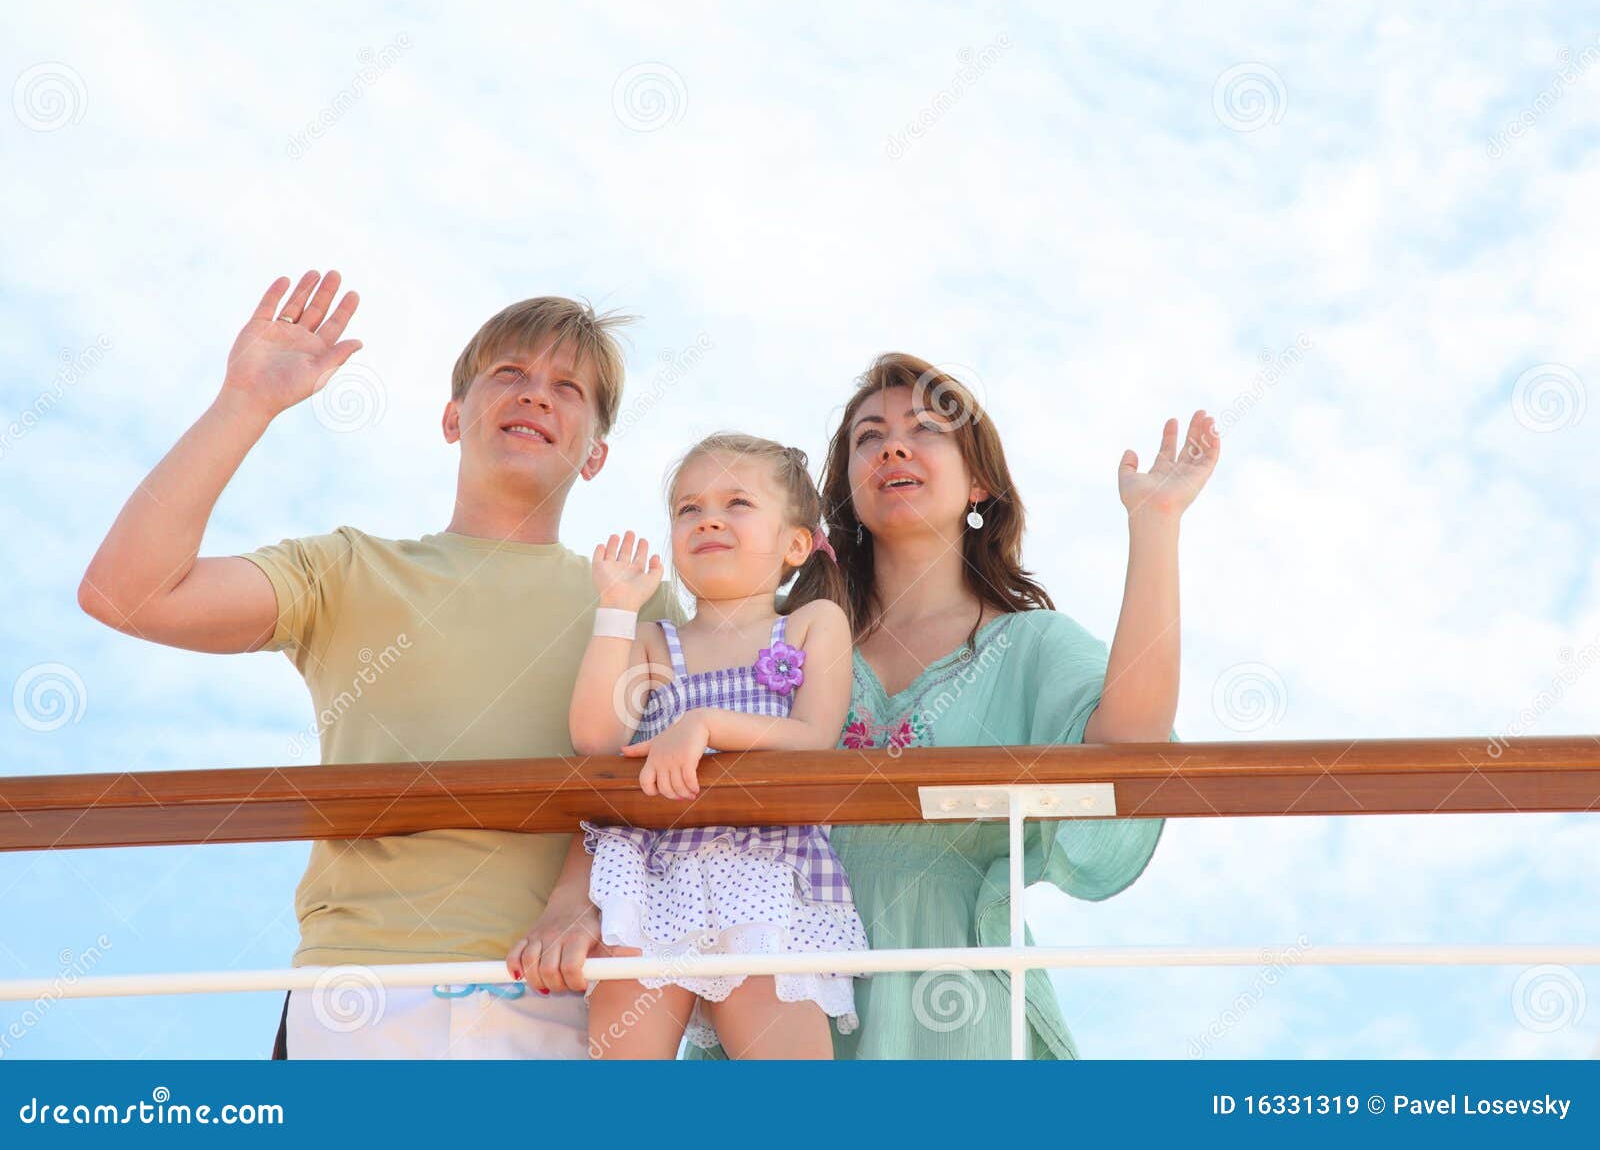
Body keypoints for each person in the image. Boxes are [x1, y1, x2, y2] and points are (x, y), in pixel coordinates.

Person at [77, 270, 672, 1058]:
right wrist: (245, 401)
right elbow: (127, 594)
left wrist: (577, 903)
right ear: (453, 417)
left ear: (594, 453)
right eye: (510, 374)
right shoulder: (347, 569)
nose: (536, 396)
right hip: (355, 998)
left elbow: (656, 792)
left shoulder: (639, 605)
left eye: (568, 387)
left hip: (560, 996)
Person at [687, 352, 1217, 1059]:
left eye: (926, 428)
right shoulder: (778, 635)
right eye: (868, 437)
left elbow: (1131, 737)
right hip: (776, 1005)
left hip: (956, 1015)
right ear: (845, 487)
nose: (893, 446)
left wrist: (1155, 521)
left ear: (980, 481)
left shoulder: (1031, 644)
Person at [507, 433, 868, 1058]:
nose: (709, 519)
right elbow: (596, 739)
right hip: (651, 873)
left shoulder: (812, 622)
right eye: (688, 508)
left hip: (767, 874)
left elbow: (813, 739)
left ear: (795, 543)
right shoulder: (654, 640)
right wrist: (616, 611)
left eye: (737, 503)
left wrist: (705, 724)